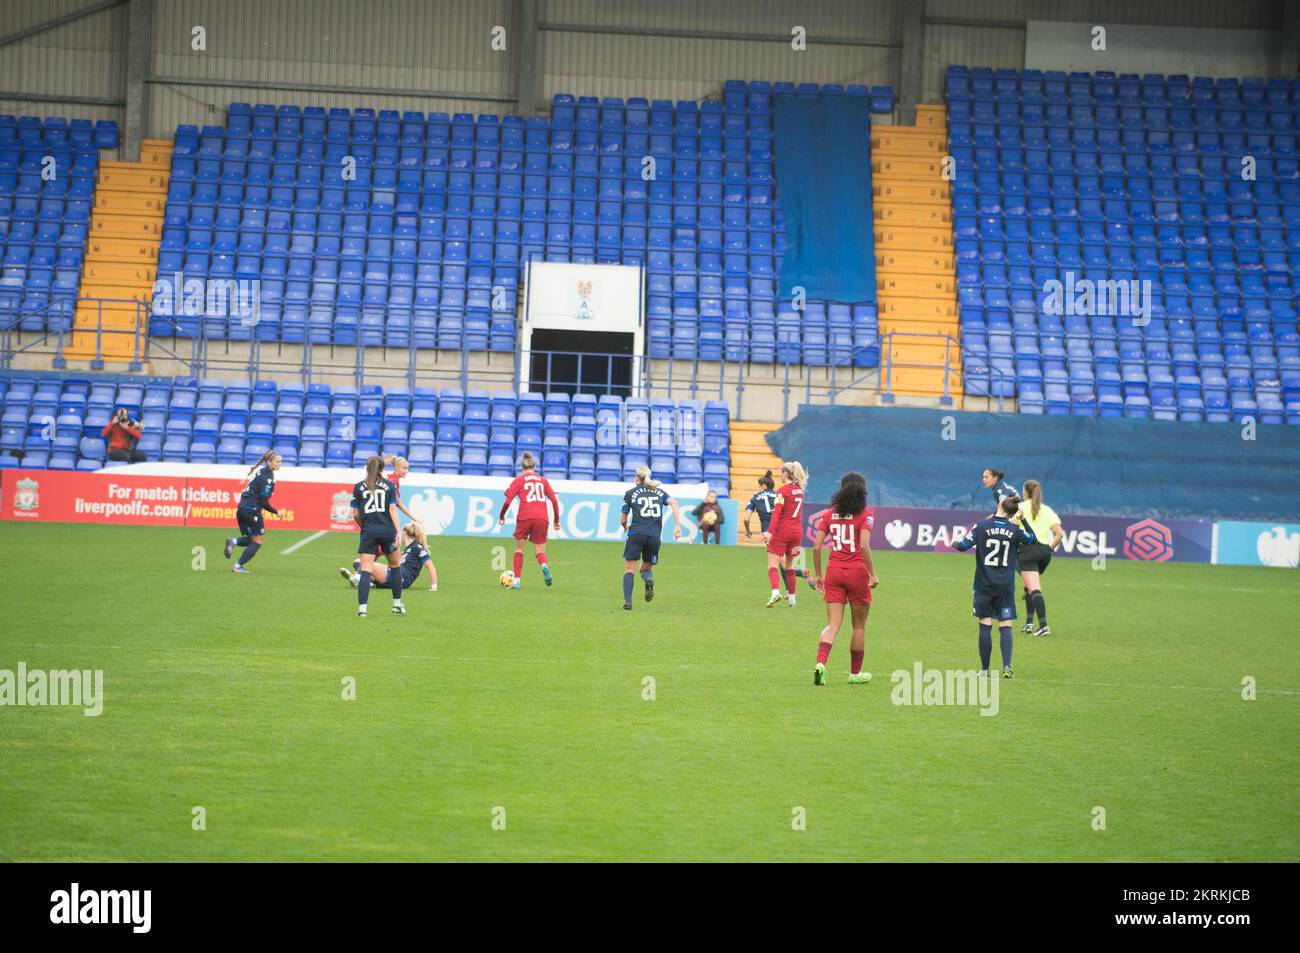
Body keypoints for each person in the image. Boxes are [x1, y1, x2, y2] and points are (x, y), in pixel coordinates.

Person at [954, 496, 1037, 678]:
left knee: (985, 623)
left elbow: (962, 546)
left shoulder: (982, 525)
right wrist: (1023, 521)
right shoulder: (1015, 530)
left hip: (984, 584)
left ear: (999, 505)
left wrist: (954, 542)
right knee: (1005, 623)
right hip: (1005, 585)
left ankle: (985, 670)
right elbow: (1032, 539)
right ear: (1014, 512)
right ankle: (1007, 667)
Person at [809, 472, 879, 686]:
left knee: (833, 624)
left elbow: (816, 546)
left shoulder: (830, 514)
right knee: (858, 627)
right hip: (857, 573)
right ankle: (855, 674)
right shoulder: (865, 515)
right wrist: (873, 574)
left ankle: (821, 663)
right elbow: (864, 546)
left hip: (834, 572)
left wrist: (819, 574)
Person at [619, 465, 682, 610]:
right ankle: (648, 579)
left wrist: (625, 527)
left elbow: (623, 520)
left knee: (630, 569)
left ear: (637, 478)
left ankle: (628, 602)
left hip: (635, 534)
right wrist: (677, 526)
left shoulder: (630, 493)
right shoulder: (659, 492)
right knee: (645, 569)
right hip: (654, 536)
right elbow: (674, 503)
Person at [498, 451, 561, 589]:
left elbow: (508, 501)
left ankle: (517, 581)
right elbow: (554, 501)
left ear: (522, 467)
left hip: (525, 516)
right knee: (540, 551)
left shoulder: (519, 480)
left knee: (519, 550)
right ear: (535, 467)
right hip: (542, 517)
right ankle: (544, 565)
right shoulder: (543, 480)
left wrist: (502, 515)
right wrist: (556, 521)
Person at [351, 455, 404, 618]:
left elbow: (355, 514)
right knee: (395, 566)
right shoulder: (389, 486)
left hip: (369, 532)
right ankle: (396, 605)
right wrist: (398, 532)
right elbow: (393, 510)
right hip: (388, 531)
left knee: (366, 570)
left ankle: (363, 609)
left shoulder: (359, 487)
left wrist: (365, 526)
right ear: (382, 469)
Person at [377, 454, 437, 591]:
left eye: (407, 469)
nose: (406, 471)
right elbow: (395, 504)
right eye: (404, 468)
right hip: (384, 518)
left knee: (381, 547)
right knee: (385, 545)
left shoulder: (393, 480)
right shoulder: (392, 481)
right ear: (396, 468)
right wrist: (412, 517)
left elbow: (398, 503)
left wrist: (413, 517)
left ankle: (365, 574)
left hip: (381, 518)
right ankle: (366, 573)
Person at [1017, 479, 1064, 637]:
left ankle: (1043, 625)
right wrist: (1049, 549)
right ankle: (1029, 623)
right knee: (1029, 585)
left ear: (1026, 492)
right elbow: (1060, 534)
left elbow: (1010, 524)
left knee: (1034, 588)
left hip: (1027, 551)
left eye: (1023, 490)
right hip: (1044, 552)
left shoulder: (1021, 507)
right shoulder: (1047, 509)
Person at [224, 450, 281, 574]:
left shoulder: (260, 471)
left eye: (280, 461)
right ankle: (237, 566)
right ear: (269, 462)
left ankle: (233, 541)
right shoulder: (268, 478)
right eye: (277, 461)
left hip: (241, 509)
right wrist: (276, 512)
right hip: (252, 510)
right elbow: (263, 502)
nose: (279, 464)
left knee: (251, 539)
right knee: (257, 541)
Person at [763, 461, 808, 608]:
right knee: (790, 566)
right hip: (796, 532)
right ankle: (792, 600)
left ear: (786, 473)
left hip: (783, 530)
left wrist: (770, 532)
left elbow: (777, 513)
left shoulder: (782, 491)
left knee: (772, 563)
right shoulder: (799, 490)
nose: (780, 475)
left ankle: (775, 592)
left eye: (781, 472)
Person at [341, 522, 433, 592]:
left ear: (405, 534)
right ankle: (367, 582)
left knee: (368, 565)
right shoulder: (408, 549)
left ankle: (358, 578)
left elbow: (430, 566)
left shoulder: (417, 547)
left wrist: (434, 586)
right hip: (396, 575)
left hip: (401, 577)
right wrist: (379, 554)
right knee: (358, 562)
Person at [743, 472, 778, 538]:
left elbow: (746, 519)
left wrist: (748, 531)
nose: (758, 488)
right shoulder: (779, 495)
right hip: (781, 527)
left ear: (764, 486)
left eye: (759, 486)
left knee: (772, 548)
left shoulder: (755, 497)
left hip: (766, 529)